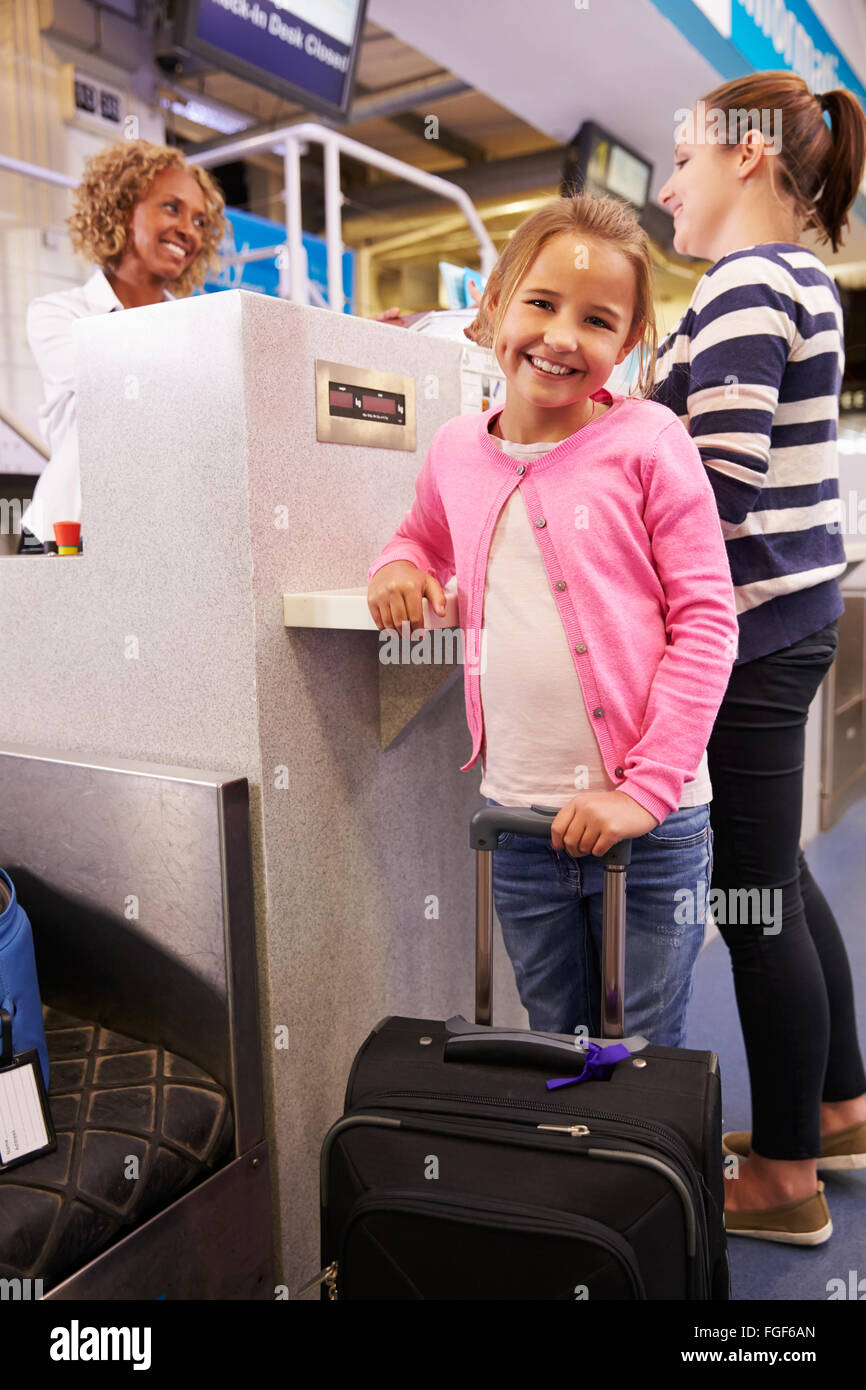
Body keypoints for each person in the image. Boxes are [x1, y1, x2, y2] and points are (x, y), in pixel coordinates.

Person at [367, 191, 739, 1049]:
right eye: (541, 302)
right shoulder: (459, 448)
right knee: (550, 1036)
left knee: (639, 1047)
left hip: (651, 822)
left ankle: (640, 1180)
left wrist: (641, 794)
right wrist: (399, 566)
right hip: (522, 820)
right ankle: (568, 1177)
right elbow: (420, 534)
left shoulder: (650, 442)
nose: (564, 337)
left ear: (629, 342)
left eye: (598, 320)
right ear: (495, 302)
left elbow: (709, 623)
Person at [653, 70, 866, 1245]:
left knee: (747, 901)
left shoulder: (742, 284)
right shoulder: (788, 280)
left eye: (679, 159)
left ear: (742, 157)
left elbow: (705, 482)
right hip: (788, 620)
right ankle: (832, 1108)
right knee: (772, 875)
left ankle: (783, 1177)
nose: (666, 184)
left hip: (749, 631)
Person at [18, 139, 225, 552]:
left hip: (156, 540)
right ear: (122, 209)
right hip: (64, 541)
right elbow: (120, 385)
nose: (188, 230)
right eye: (172, 208)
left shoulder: (198, 331)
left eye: (201, 222)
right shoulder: (59, 315)